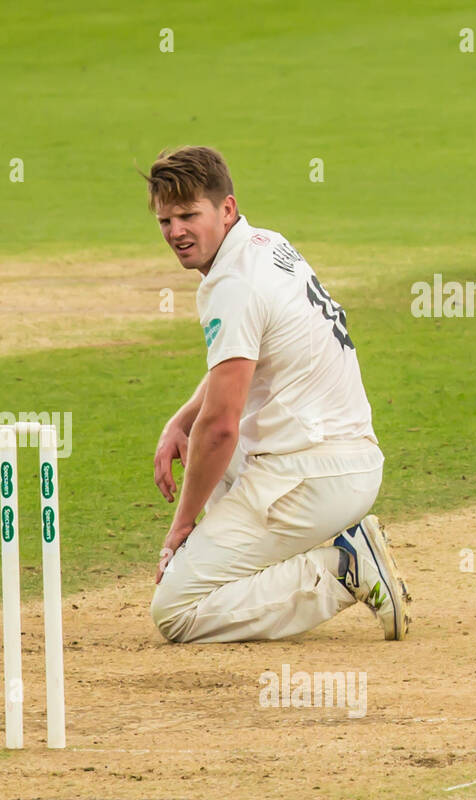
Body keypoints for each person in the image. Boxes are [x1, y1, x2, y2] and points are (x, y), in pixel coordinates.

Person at [145, 146, 410, 643]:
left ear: (226, 209)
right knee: (215, 461)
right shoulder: (266, 244)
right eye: (165, 219)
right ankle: (318, 560)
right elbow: (243, 359)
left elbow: (221, 426)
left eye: (188, 215)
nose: (176, 232)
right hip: (337, 458)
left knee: (176, 611)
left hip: (311, 475)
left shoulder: (234, 284)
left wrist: (181, 526)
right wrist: (181, 420)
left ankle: (342, 568)